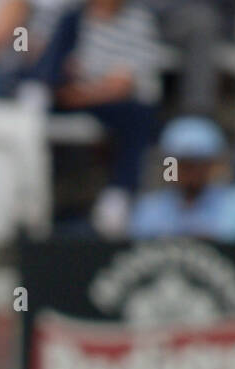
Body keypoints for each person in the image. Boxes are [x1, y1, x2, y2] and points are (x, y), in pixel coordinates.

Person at [29, 0, 165, 236]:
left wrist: (81, 94)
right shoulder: (71, 17)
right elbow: (30, 47)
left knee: (138, 114)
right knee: (33, 98)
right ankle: (31, 201)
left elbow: (124, 84)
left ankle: (119, 193)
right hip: (70, 93)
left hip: (110, 103)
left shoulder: (139, 20)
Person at [129, 115, 229, 240]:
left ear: (211, 165)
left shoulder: (232, 206)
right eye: (183, 164)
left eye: (197, 164)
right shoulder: (149, 207)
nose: (190, 172)